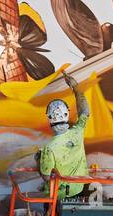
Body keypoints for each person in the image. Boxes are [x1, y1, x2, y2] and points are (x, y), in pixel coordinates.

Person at [37, 71, 91, 199]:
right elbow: (85, 110)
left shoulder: (48, 148)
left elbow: (46, 176)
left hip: (59, 197)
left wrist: (38, 160)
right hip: (79, 189)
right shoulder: (77, 132)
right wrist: (75, 87)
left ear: (49, 118)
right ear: (67, 114)